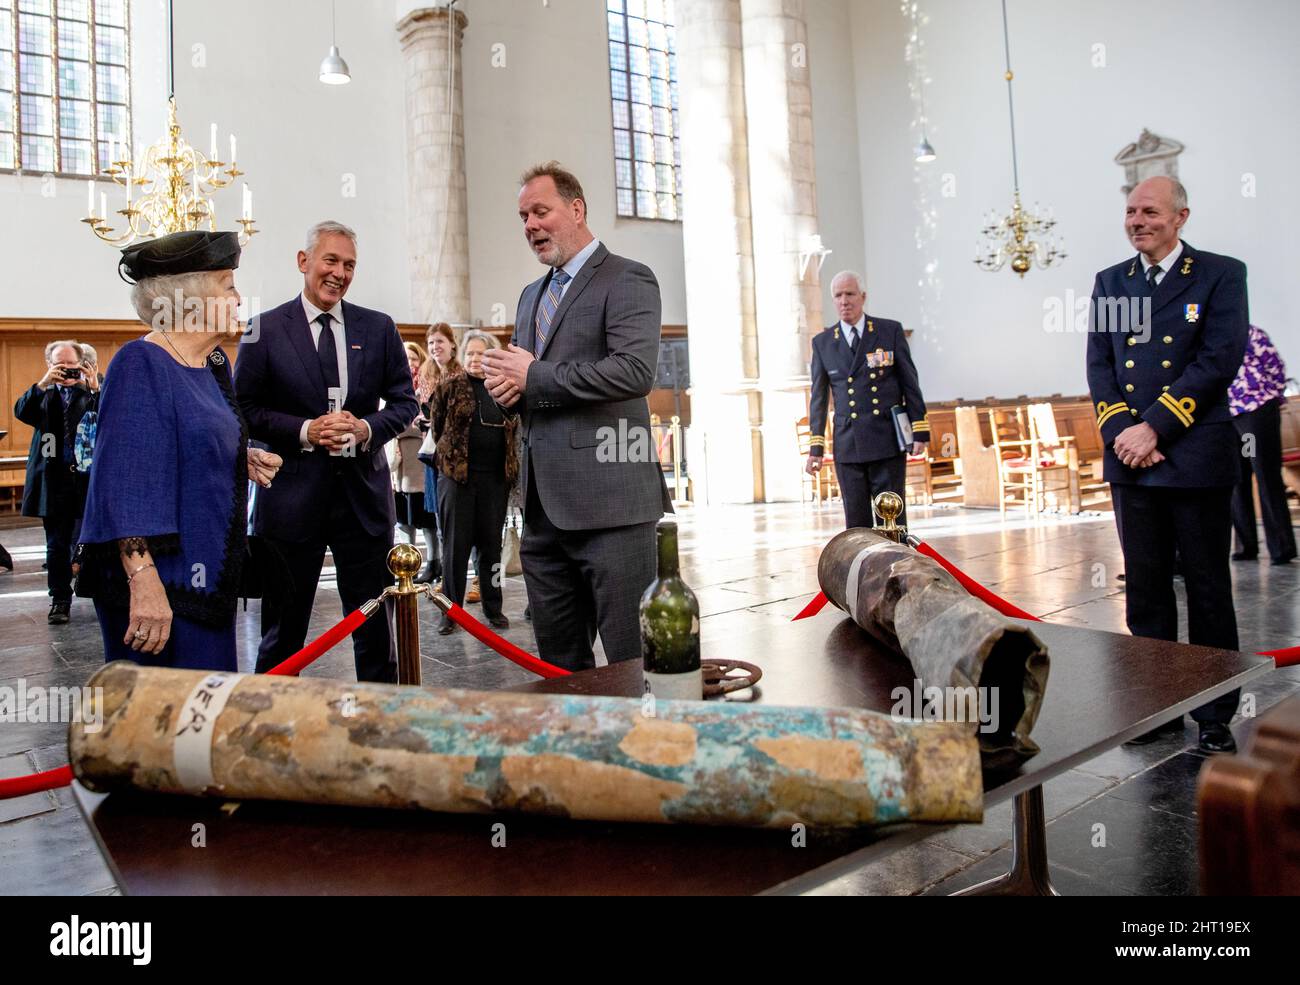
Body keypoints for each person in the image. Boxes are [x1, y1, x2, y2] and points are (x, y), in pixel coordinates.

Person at [483, 161, 671, 671]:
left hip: (612, 508)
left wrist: (534, 377)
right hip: (542, 512)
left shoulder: (628, 277)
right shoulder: (530, 296)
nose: (530, 225)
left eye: (540, 211)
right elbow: (533, 385)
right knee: (561, 666)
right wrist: (510, 391)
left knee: (632, 663)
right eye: (523, 216)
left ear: (576, 208)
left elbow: (633, 373)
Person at [1086, 176, 1248, 754]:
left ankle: (1212, 711)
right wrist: (1124, 434)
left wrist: (1155, 425)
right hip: (1132, 460)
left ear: (1181, 216)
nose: (1137, 221)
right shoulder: (1111, 283)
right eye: (1130, 211)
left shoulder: (1220, 274)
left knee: (1207, 588)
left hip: (1196, 455)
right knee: (1147, 589)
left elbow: (1219, 359)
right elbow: (1101, 367)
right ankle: (1156, 705)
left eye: (1150, 211)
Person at [76, 231, 281, 669]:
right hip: (162, 591)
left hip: (205, 582)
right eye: (228, 285)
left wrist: (237, 458)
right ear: (193, 299)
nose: (240, 298)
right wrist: (144, 582)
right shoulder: (141, 362)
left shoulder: (211, 366)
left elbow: (176, 441)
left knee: (201, 725)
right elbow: (120, 482)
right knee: (165, 728)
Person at [234, 220, 418, 683]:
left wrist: (364, 427)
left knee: (374, 628)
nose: (340, 273)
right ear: (304, 262)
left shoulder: (377, 328)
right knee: (283, 631)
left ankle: (378, 726)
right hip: (291, 503)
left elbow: (404, 403)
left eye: (349, 264)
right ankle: (268, 721)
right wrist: (305, 431)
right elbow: (244, 410)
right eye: (331, 260)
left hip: (363, 503)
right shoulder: (264, 329)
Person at [805, 271, 930, 529]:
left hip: (885, 439)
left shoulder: (888, 331)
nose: (844, 301)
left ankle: (895, 566)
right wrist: (816, 448)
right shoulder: (823, 343)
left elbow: (910, 382)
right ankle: (862, 568)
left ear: (863, 297)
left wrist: (919, 431)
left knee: (891, 516)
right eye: (838, 296)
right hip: (848, 443)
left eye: (849, 294)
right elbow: (818, 398)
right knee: (857, 521)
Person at [432, 330, 518, 634]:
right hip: (457, 478)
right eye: (470, 354)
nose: (475, 359)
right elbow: (437, 426)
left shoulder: (505, 388)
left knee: (491, 549)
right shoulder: (450, 385)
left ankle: (493, 608)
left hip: (495, 479)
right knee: (455, 549)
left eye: (481, 354)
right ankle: (450, 611)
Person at [15, 340, 99, 623]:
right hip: (53, 482)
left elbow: (109, 419)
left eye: (71, 366)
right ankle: (60, 600)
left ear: (82, 364)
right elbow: (22, 412)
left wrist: (94, 386)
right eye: (59, 366)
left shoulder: (89, 393)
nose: (66, 372)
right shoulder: (42, 394)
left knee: (95, 541)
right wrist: (42, 384)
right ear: (49, 365)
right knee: (56, 545)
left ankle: (97, 591)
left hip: (86, 481)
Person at [1229, 325, 1296, 565]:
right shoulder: (1207, 335)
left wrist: (1272, 394)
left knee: (1266, 476)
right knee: (1237, 479)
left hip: (1256, 411)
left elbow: (1275, 366)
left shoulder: (1251, 333)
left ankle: (1281, 547)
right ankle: (1246, 547)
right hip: (1227, 415)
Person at [389, 340, 440, 582]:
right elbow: (390, 423)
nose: (410, 363)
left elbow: (431, 423)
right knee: (403, 517)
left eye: (414, 358)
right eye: (405, 358)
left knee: (427, 517)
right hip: (401, 467)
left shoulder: (428, 387)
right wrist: (409, 425)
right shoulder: (394, 387)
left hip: (422, 462)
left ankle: (433, 562)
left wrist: (409, 425)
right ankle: (408, 565)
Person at [419, 322, 458, 585]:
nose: (435, 347)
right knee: (437, 518)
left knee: (455, 519)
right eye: (431, 342)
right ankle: (443, 570)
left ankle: (460, 575)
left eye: (440, 342)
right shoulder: (426, 376)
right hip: (431, 456)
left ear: (453, 345)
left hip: (455, 457)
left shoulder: (460, 375)